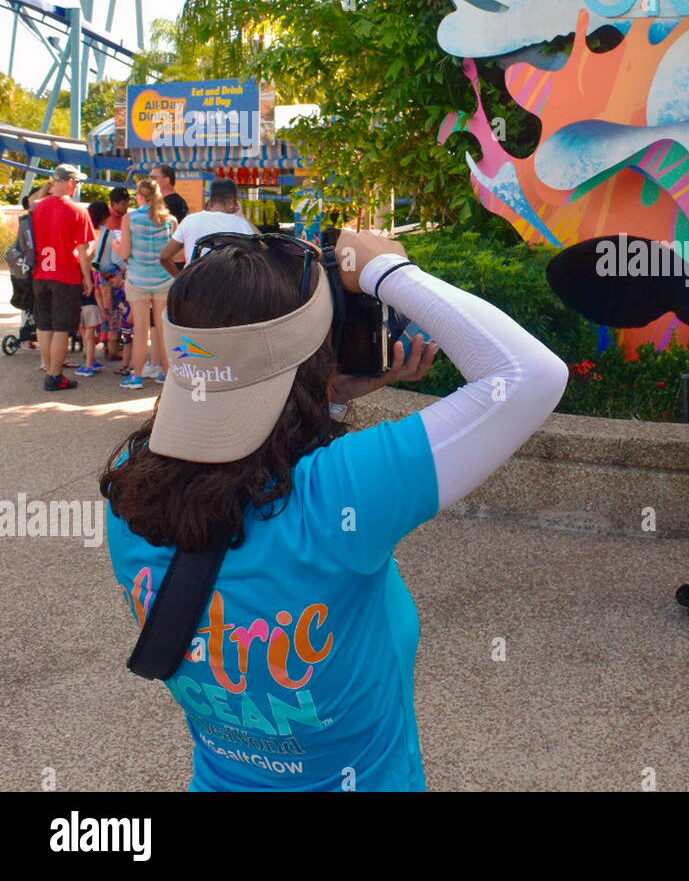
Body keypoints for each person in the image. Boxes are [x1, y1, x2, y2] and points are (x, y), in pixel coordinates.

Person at [100, 229, 569, 791]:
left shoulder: (130, 481)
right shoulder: (339, 493)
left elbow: (229, 446)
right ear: (319, 352)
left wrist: (319, 395)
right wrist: (387, 272)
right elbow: (530, 377)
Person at [29, 164, 96, 391]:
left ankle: (48, 370)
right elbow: (85, 251)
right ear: (68, 182)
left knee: (45, 326)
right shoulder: (78, 211)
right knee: (62, 329)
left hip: (40, 274)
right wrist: (87, 278)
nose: (77, 186)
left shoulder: (36, 207)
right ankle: (55, 377)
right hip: (65, 276)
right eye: (76, 182)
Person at [113, 177, 176, 388]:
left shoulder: (130, 218)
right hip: (164, 280)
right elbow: (174, 255)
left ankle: (137, 376)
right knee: (163, 330)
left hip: (138, 279)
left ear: (139, 196)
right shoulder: (170, 220)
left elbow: (125, 253)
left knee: (141, 330)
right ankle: (167, 375)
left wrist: (115, 244)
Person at [160, 177, 256, 274]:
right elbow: (260, 252)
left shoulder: (190, 220)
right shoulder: (241, 224)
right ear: (232, 202)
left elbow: (165, 257)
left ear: (212, 200)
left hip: (194, 283)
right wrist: (243, 218)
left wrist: (180, 279)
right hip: (229, 284)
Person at [74, 201, 111, 377]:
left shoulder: (84, 236)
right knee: (89, 330)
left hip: (83, 286)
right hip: (94, 286)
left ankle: (88, 362)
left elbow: (84, 257)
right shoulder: (102, 235)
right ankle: (91, 361)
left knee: (87, 330)